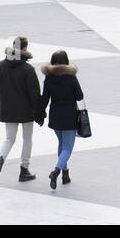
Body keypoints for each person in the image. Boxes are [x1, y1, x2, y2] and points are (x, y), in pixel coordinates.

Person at [0, 35, 43, 184]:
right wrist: (39, 111)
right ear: (25, 48)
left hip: (7, 109)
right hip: (26, 112)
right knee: (27, 139)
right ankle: (24, 170)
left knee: (9, 139)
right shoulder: (28, 69)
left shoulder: (0, 66)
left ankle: (0, 159)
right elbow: (34, 93)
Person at [38, 50, 84, 190]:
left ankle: (65, 174)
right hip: (69, 116)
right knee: (67, 148)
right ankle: (56, 171)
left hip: (55, 116)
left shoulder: (49, 78)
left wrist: (39, 113)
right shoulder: (71, 77)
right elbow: (79, 95)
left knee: (61, 144)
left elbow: (44, 99)